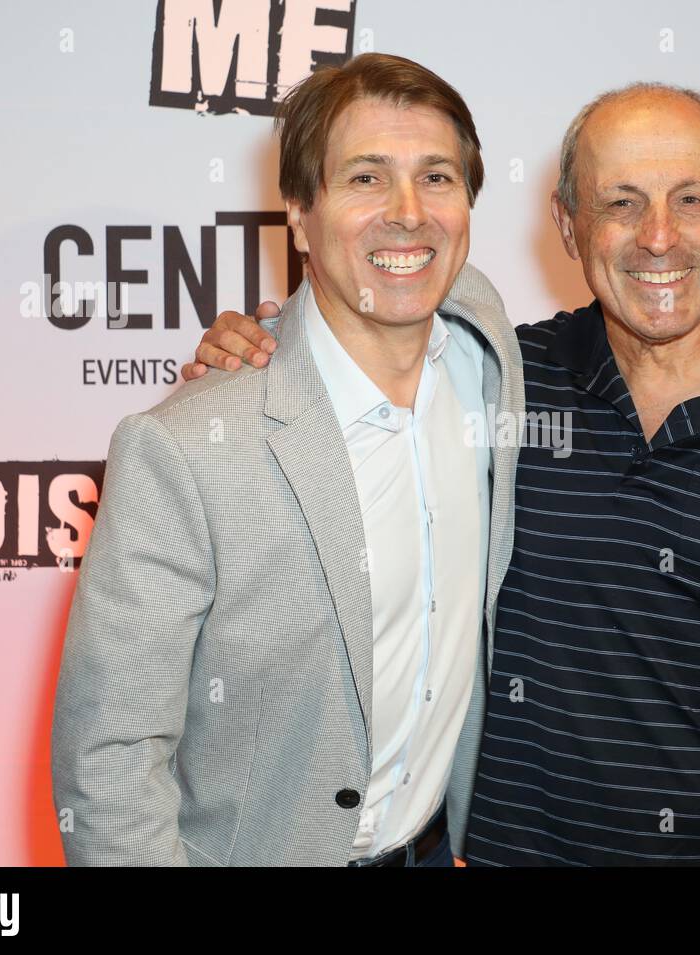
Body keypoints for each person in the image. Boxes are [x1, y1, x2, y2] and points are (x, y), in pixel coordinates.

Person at [189, 80, 700, 867]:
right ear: (567, 223)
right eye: (621, 203)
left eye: (691, 199)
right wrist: (260, 346)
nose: (658, 238)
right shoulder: (497, 379)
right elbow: (356, 334)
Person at [50, 53, 525, 866]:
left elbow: (655, 305)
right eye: (367, 179)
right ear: (300, 215)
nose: (408, 215)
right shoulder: (186, 449)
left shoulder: (489, 352)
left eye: (437, 178)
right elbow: (110, 763)